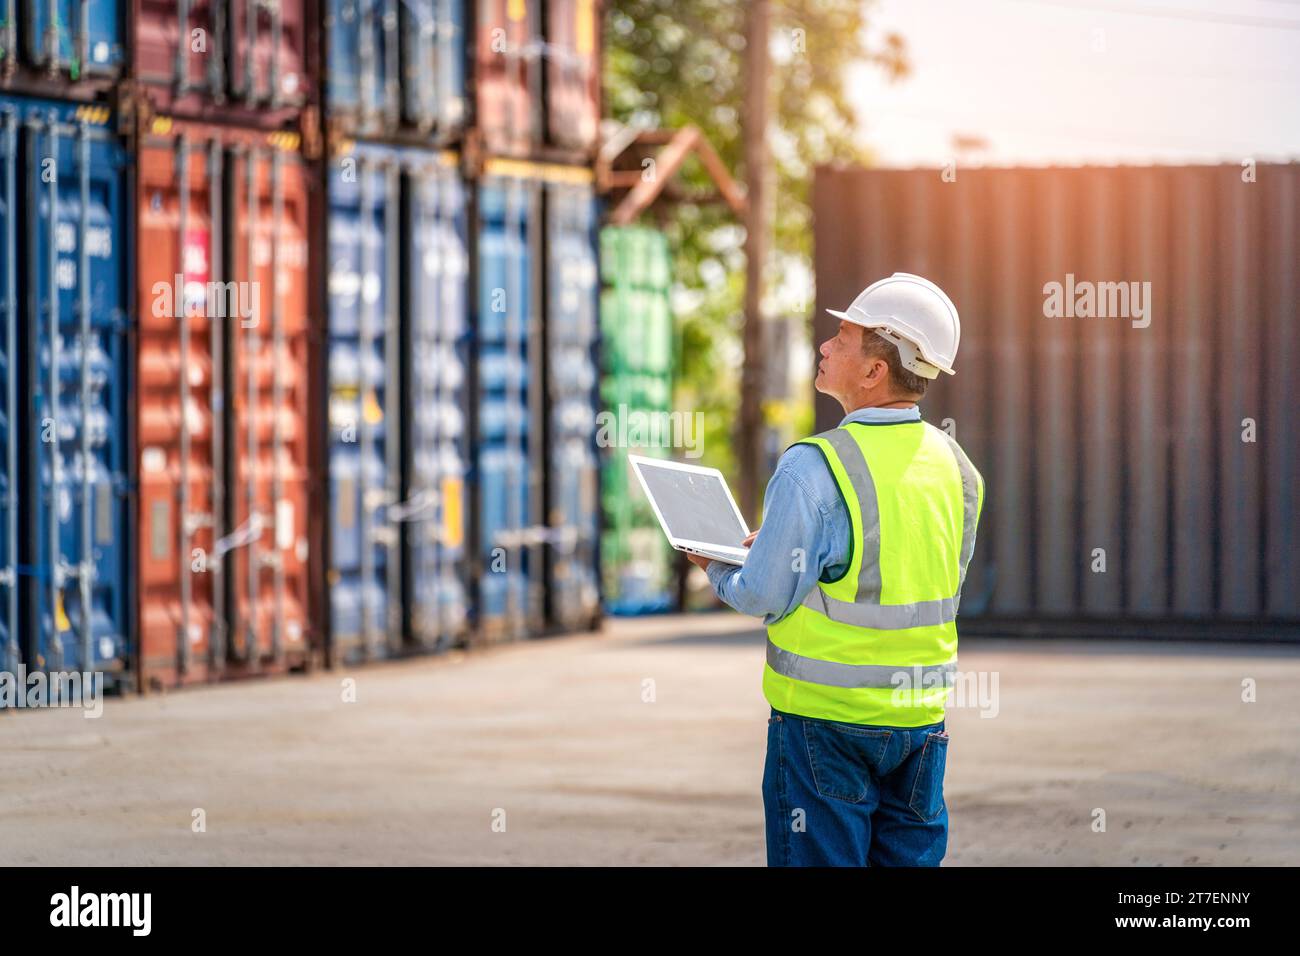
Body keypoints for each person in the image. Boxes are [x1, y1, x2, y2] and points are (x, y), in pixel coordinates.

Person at [687, 273, 984, 866]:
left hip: (824, 726)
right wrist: (788, 545)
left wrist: (716, 565)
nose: (825, 346)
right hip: (920, 726)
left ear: (875, 371)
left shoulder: (813, 466)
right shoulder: (957, 466)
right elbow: (921, 574)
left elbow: (763, 595)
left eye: (842, 337)